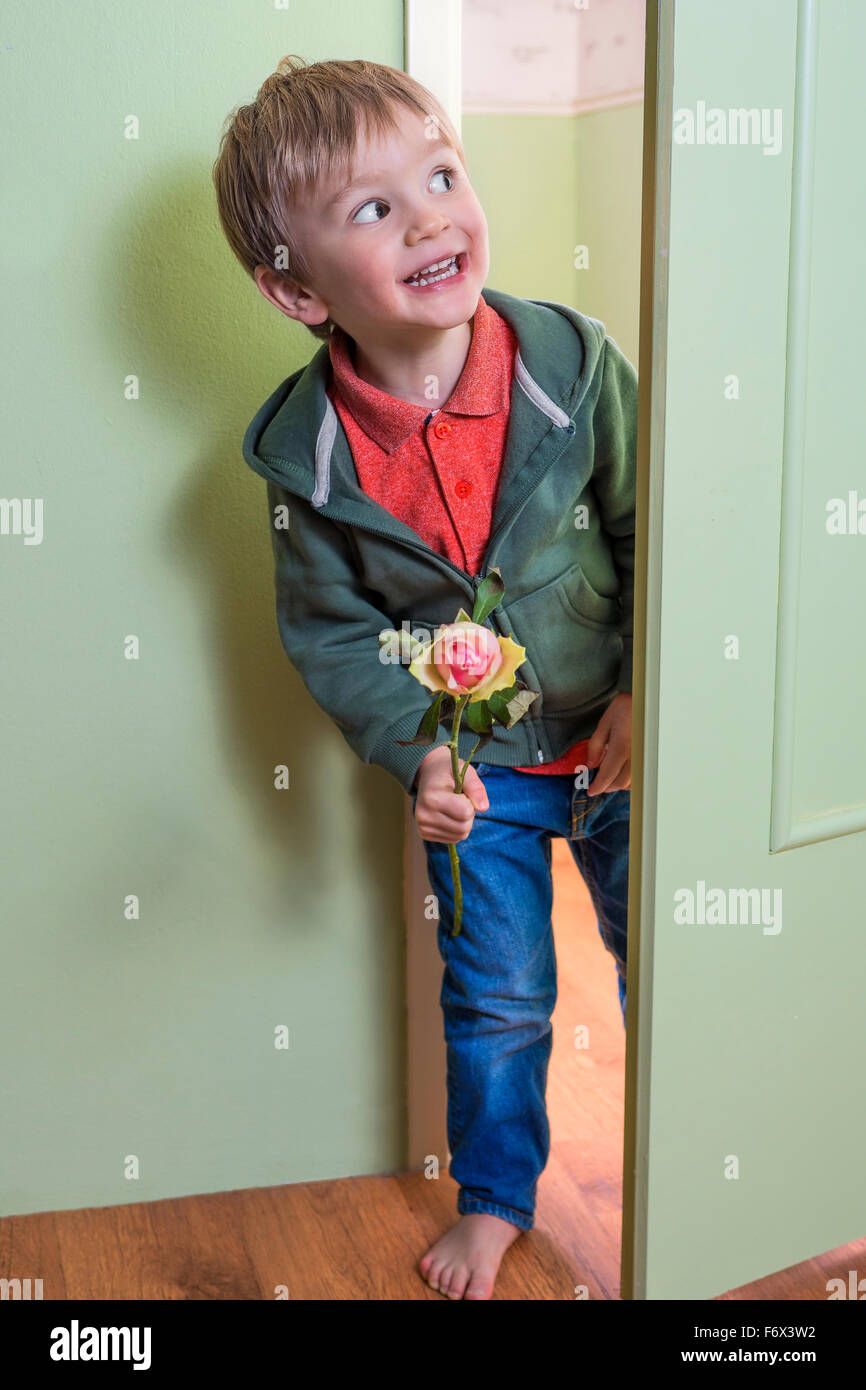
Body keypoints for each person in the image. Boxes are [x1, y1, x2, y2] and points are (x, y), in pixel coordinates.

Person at [213, 53, 636, 1301]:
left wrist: (647, 693)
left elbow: (647, 524)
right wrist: (424, 750)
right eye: (372, 208)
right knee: (498, 995)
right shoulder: (311, 462)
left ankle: (726, 1146)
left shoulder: (569, 363)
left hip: (618, 739)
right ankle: (498, 1197)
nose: (431, 216)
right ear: (294, 292)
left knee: (661, 951)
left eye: (440, 175)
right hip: (481, 776)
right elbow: (337, 636)